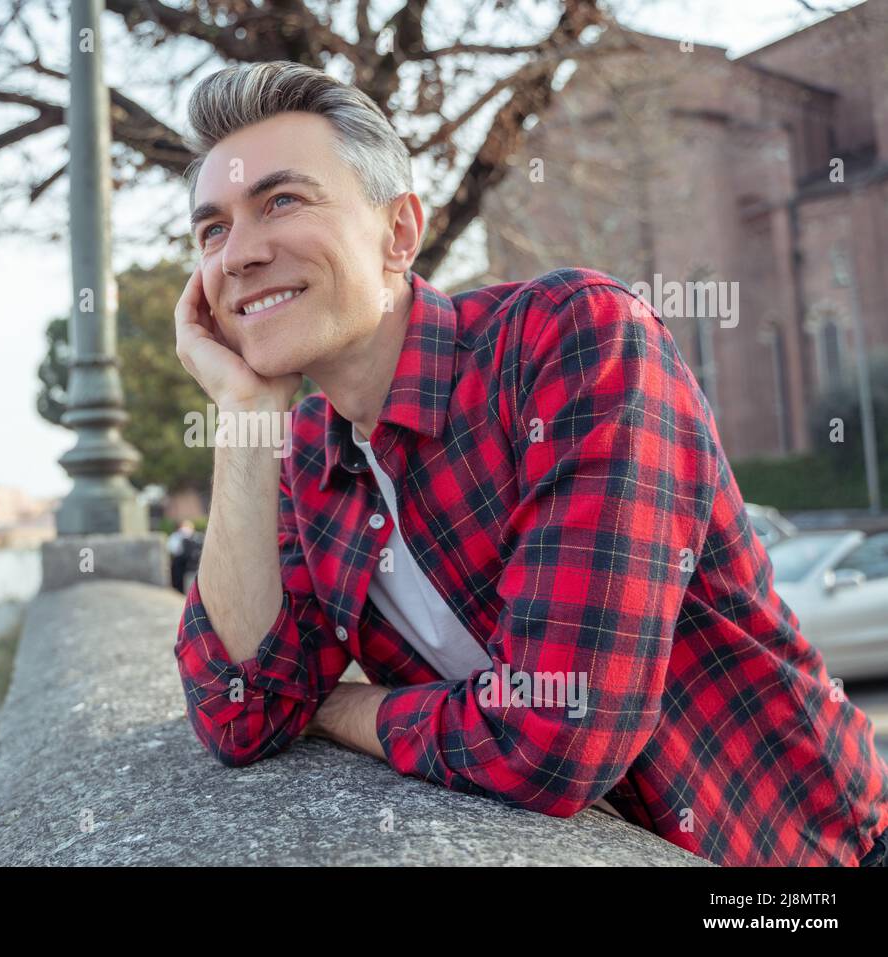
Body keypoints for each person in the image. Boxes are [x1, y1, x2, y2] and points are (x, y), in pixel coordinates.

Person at [170, 60, 888, 867]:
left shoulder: (570, 340)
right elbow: (240, 713)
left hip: (804, 858)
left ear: (399, 233)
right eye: (212, 230)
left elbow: (558, 736)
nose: (237, 255)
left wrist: (336, 707)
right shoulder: (305, 452)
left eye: (282, 200)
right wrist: (243, 411)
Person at [167, 520, 197, 593]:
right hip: (178, 564)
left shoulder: (195, 537)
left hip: (189, 566)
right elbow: (172, 548)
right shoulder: (176, 536)